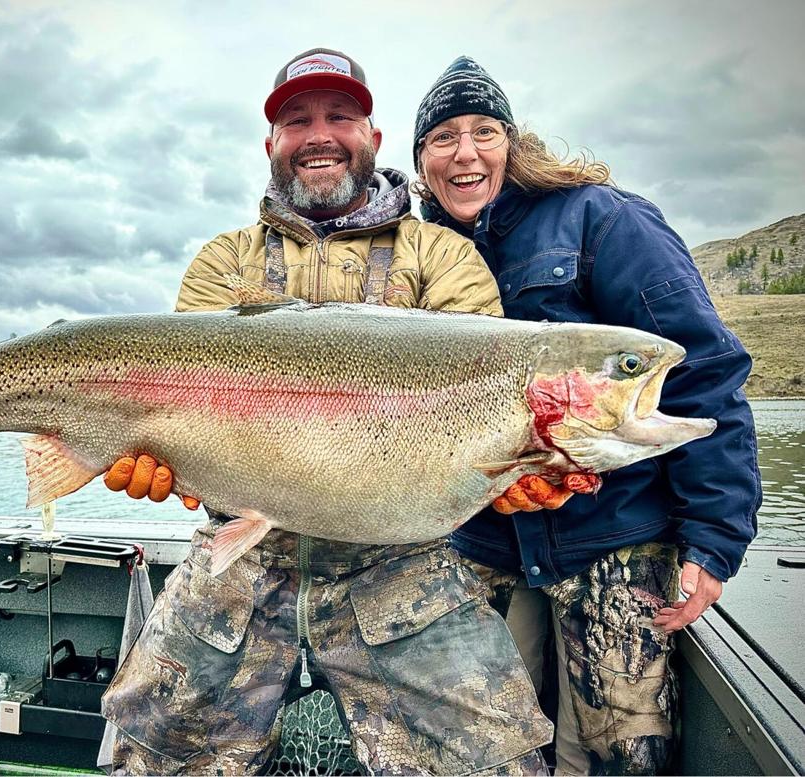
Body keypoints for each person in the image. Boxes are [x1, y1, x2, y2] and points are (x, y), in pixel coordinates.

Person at [97, 48, 561, 775]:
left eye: (339, 116)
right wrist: (155, 461)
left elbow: (487, 415)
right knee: (151, 753)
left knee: (495, 760)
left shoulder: (442, 258)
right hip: (238, 564)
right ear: (270, 145)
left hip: (403, 571)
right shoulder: (223, 260)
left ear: (371, 137)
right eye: (296, 120)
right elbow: (177, 414)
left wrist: (518, 469)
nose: (319, 134)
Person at [411, 56, 761, 775]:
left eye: (484, 130)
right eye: (442, 136)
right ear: (421, 160)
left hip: (614, 541)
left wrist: (714, 537)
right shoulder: (423, 254)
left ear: (514, 141)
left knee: (617, 758)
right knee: (469, 750)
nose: (465, 152)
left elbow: (703, 371)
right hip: (483, 543)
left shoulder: (603, 217)